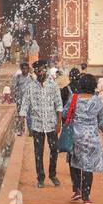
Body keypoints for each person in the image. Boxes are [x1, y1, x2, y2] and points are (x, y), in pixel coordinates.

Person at [65, 71, 103, 204]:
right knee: (88, 165)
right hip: (91, 137)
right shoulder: (97, 100)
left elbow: (66, 112)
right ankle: (86, 196)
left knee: (74, 161)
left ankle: (77, 188)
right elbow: (101, 119)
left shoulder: (74, 98)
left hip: (76, 135)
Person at [19, 59, 63, 188]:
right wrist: (22, 121)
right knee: (38, 152)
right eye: (38, 70)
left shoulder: (53, 85)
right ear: (36, 72)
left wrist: (59, 123)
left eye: (42, 69)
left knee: (54, 150)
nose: (40, 72)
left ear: (46, 69)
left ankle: (52, 174)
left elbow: (59, 104)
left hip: (51, 123)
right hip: (37, 125)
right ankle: (41, 177)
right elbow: (25, 104)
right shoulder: (31, 86)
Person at [11, 62, 32, 135]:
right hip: (20, 99)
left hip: (29, 100)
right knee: (20, 115)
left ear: (28, 69)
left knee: (29, 115)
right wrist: (13, 96)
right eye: (23, 69)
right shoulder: (18, 77)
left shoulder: (31, 77)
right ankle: (21, 130)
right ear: (21, 69)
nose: (25, 70)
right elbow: (14, 87)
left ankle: (30, 130)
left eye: (26, 69)